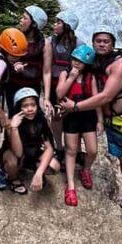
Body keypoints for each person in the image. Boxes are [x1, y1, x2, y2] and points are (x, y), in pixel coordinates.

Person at [60, 26, 122, 208]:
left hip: (120, 115)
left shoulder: (119, 65)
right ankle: (80, 171)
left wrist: (76, 106)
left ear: (112, 44)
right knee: (79, 145)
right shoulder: (93, 60)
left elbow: (106, 96)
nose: (101, 44)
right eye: (98, 41)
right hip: (97, 112)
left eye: (106, 41)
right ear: (93, 43)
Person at [56, 45, 103, 207]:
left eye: (81, 62)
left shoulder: (91, 78)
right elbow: (59, 94)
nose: (77, 63)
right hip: (71, 118)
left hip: (88, 117)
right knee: (70, 150)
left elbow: (97, 100)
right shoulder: (64, 73)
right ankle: (70, 186)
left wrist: (100, 120)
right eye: (75, 60)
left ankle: (85, 169)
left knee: (92, 150)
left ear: (87, 64)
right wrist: (70, 78)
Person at [0, 27, 29, 190]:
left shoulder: (0, 58)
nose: (16, 59)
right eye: (14, 56)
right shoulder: (2, 62)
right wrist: (2, 116)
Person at [1, 88, 59, 195]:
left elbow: (49, 148)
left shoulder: (40, 119)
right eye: (25, 106)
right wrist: (13, 129)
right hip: (17, 155)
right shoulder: (12, 123)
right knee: (12, 162)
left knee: (54, 166)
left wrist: (39, 172)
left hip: (33, 153)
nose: (30, 109)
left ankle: (36, 172)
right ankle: (13, 179)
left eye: (33, 105)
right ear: (19, 108)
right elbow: (18, 153)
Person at [43, 10, 80, 160]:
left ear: (67, 26)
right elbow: (46, 68)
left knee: (71, 116)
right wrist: (45, 96)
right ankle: (59, 147)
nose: (54, 25)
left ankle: (73, 150)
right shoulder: (50, 41)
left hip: (70, 84)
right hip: (53, 83)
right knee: (56, 116)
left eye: (58, 22)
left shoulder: (78, 43)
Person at [8, 5, 48, 105]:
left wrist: (46, 98)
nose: (21, 20)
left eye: (25, 18)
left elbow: (47, 72)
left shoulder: (45, 44)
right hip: (13, 85)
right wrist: (14, 65)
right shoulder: (14, 38)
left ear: (34, 24)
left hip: (33, 87)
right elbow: (6, 59)